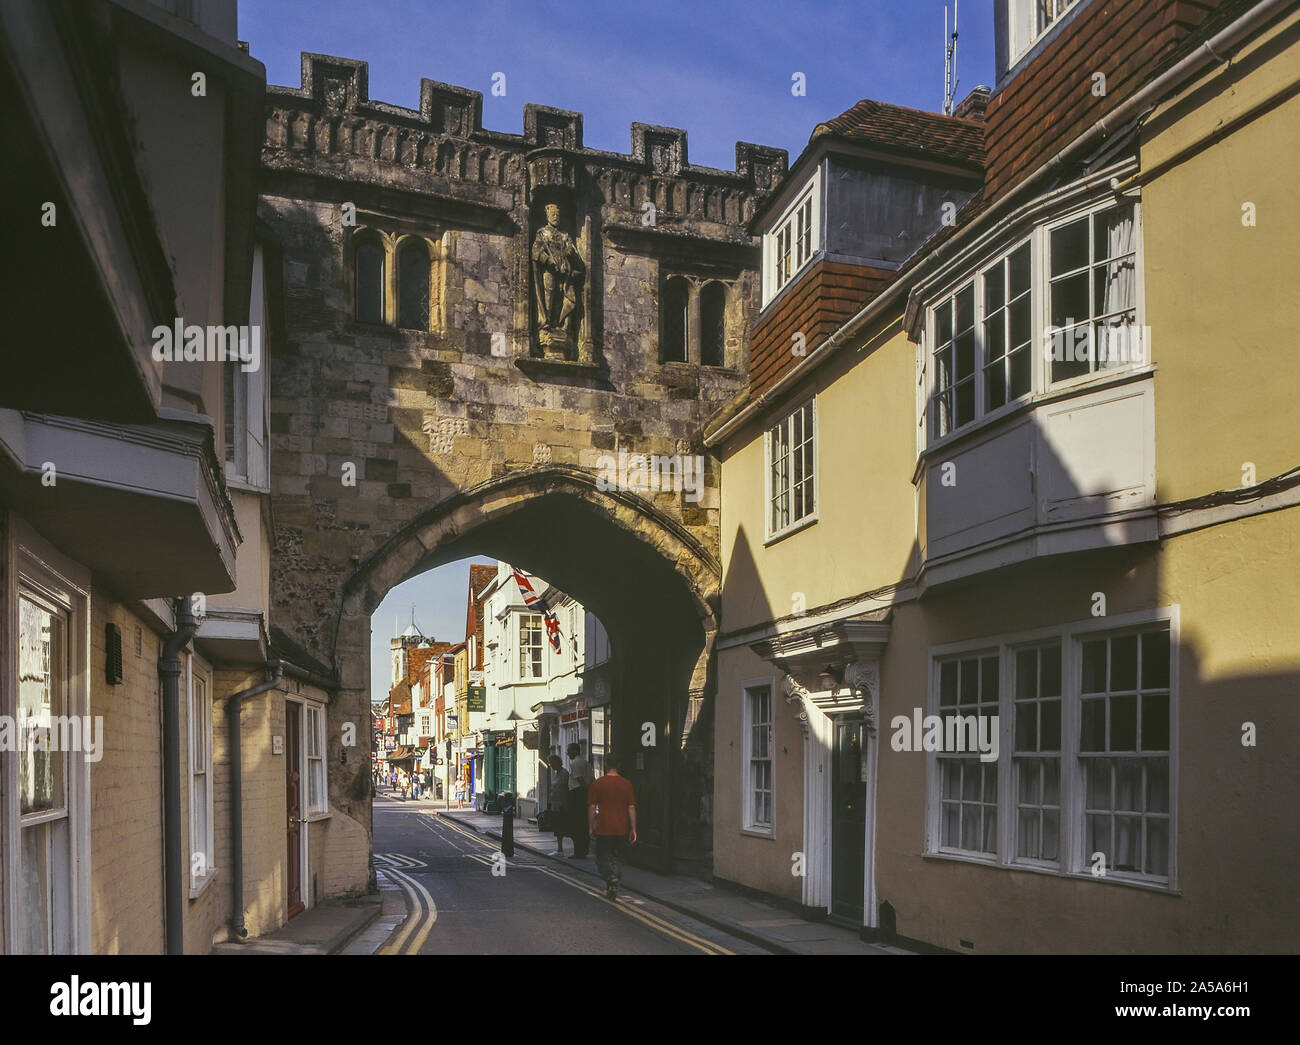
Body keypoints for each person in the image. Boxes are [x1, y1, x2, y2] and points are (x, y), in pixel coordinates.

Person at [587, 754, 636, 900]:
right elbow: (631, 808)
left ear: (606, 765)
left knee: (602, 858)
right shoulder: (627, 784)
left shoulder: (598, 784)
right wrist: (633, 828)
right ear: (619, 765)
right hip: (622, 828)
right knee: (618, 858)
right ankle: (612, 884)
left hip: (604, 828)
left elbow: (591, 807)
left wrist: (590, 826)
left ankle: (610, 877)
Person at [566, 742, 590, 859]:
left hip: (577, 794)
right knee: (583, 824)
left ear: (575, 751)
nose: (567, 753)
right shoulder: (584, 761)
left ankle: (578, 852)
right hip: (581, 793)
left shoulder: (575, 763)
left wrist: (586, 791)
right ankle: (583, 851)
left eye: (569, 751)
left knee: (577, 824)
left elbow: (580, 780)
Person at [545, 754, 569, 856]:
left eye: (551, 763)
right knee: (557, 828)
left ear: (557, 762)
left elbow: (565, 790)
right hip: (555, 804)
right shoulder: (556, 773)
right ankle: (559, 849)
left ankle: (560, 850)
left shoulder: (564, 773)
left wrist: (564, 804)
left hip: (561, 805)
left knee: (561, 827)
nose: (550, 765)